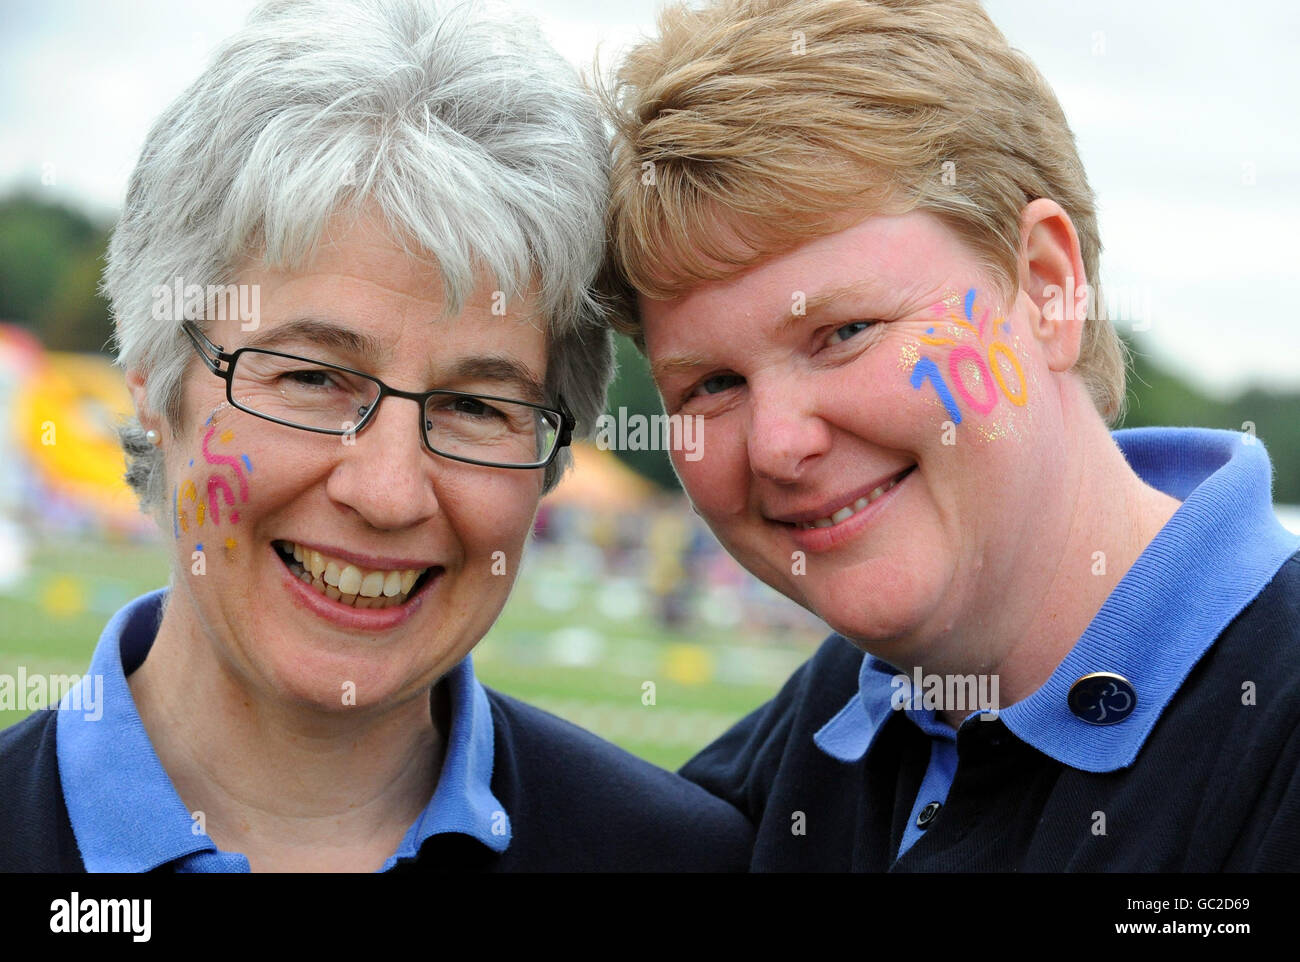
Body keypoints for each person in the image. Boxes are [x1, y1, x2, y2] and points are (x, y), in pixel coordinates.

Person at [0, 0, 752, 873]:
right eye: (313, 379)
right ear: (153, 387)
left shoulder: (677, 860)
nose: (389, 492)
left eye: (476, 406)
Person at [599, 0, 1300, 870]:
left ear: (1047, 288)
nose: (779, 445)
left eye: (846, 331)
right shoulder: (813, 745)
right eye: (711, 384)